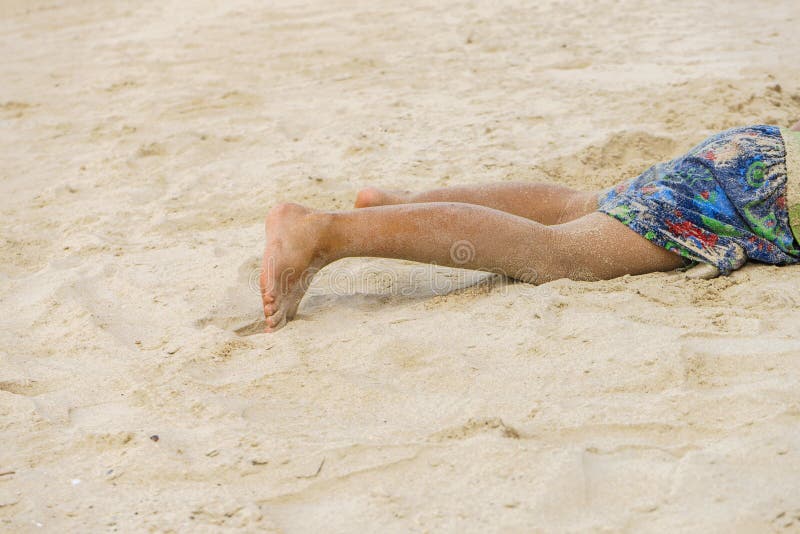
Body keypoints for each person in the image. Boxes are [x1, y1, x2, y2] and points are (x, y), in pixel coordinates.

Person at [259, 121, 800, 332]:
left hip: (758, 153)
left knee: (578, 206)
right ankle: (322, 233)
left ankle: (397, 207)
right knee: (565, 252)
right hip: (761, 191)